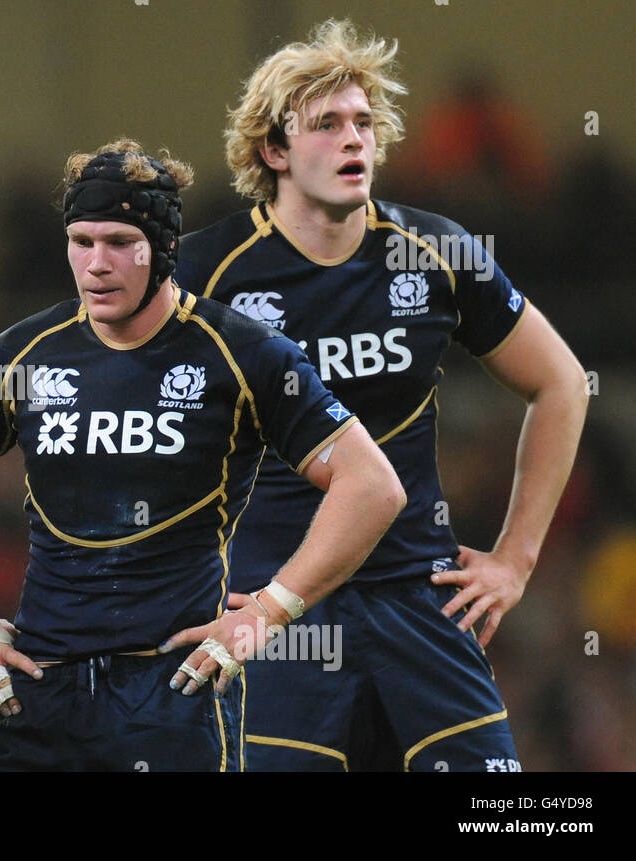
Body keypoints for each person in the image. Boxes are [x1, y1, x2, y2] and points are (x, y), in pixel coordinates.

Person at [0, 139, 406, 771]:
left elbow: (373, 485)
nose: (96, 264)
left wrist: (268, 613)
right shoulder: (26, 353)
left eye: (119, 242)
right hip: (40, 696)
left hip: (174, 699)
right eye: (81, 241)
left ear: (161, 248)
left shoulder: (243, 354)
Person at [175, 20, 589, 771]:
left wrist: (517, 559)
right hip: (278, 613)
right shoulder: (209, 274)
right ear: (274, 152)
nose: (352, 140)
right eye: (326, 125)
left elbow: (561, 382)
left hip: (418, 597)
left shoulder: (434, 252)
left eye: (363, 122)